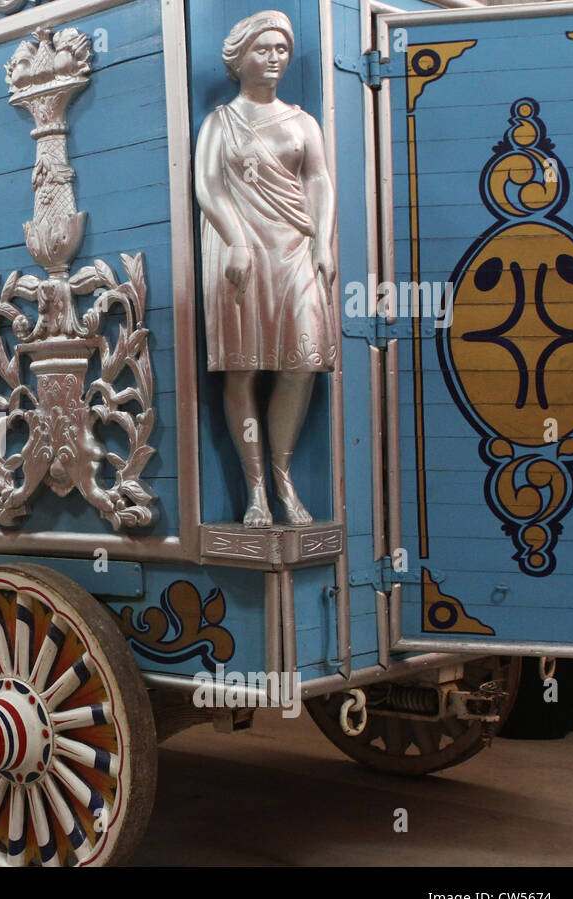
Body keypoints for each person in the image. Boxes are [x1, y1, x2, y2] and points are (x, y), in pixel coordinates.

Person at [194, 10, 337, 528]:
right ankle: (256, 489)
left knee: (301, 364)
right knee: (244, 367)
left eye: (281, 48)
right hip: (242, 252)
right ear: (240, 57)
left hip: (294, 246)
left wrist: (324, 241)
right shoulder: (221, 122)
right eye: (264, 49)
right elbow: (208, 185)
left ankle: (284, 477)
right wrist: (233, 239)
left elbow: (319, 180)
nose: (274, 57)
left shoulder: (302, 122)